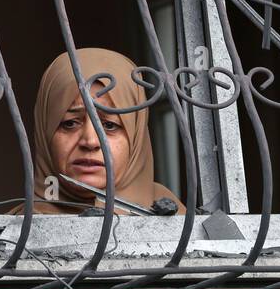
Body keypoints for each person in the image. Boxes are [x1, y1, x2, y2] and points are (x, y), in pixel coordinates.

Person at [10, 48, 185, 215]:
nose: (91, 141)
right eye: (70, 123)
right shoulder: (9, 237)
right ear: (44, 132)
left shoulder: (177, 222)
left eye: (110, 125)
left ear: (136, 136)